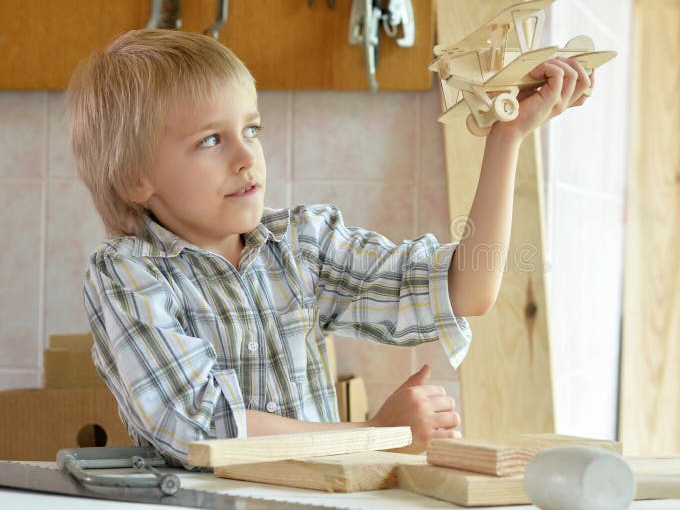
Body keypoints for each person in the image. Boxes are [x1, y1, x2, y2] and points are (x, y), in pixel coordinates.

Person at [67, 28, 593, 465]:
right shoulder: (126, 274)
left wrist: (507, 140)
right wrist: (375, 435)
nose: (246, 157)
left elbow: (465, 290)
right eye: (211, 140)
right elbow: (199, 427)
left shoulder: (302, 245)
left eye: (252, 129)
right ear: (137, 178)